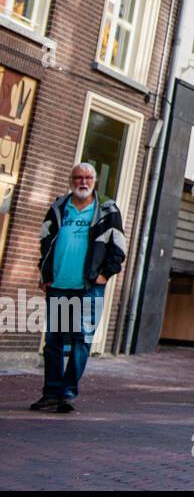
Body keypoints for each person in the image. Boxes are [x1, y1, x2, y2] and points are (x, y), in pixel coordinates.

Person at [31, 163, 126, 413]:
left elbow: (119, 247)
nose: (82, 182)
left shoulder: (107, 209)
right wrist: (45, 273)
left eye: (87, 178)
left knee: (81, 340)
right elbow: (45, 241)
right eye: (77, 177)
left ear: (95, 181)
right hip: (59, 285)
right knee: (53, 342)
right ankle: (51, 393)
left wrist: (105, 274)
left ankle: (67, 393)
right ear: (70, 180)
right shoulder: (59, 207)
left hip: (88, 288)